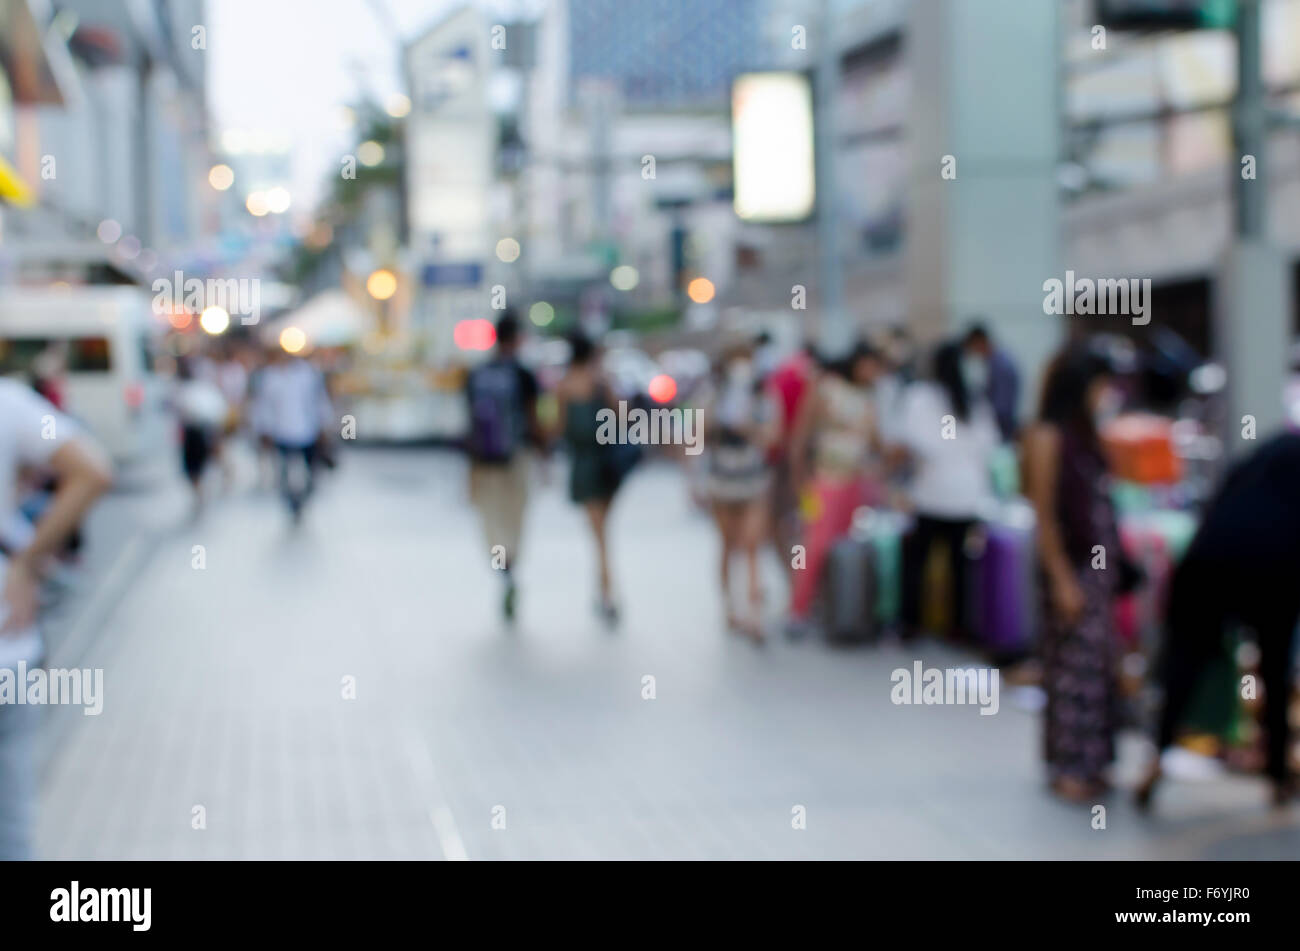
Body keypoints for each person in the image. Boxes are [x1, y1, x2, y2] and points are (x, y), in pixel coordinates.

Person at [1137, 433, 1300, 810]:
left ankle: (1155, 761)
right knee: (1274, 671)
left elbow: (1221, 494)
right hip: (1272, 570)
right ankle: (1277, 778)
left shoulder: (1272, 448)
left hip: (1210, 557)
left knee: (1184, 665)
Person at [0, 379, 112, 859]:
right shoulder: (8, 402)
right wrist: (28, 562)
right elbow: (93, 471)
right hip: (9, 643)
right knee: (12, 819)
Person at [1022, 345, 1124, 802]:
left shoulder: (1087, 435)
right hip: (1072, 566)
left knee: (1098, 668)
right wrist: (1062, 577)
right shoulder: (1046, 435)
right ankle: (1068, 765)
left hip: (1099, 569)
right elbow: (1043, 514)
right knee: (1071, 671)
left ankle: (1094, 761)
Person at [898, 341, 999, 642]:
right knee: (960, 568)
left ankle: (910, 623)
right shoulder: (972, 401)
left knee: (917, 563)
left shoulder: (921, 398)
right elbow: (989, 445)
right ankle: (959, 627)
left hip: (932, 494)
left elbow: (915, 442)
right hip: (966, 496)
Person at [786, 342, 886, 636]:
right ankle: (798, 610)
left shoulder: (867, 397)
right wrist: (799, 478)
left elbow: (875, 442)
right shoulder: (826, 388)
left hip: (854, 482)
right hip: (823, 482)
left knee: (843, 546)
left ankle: (832, 604)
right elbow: (801, 436)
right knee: (813, 545)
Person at [464, 310, 541, 622]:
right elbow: (535, 419)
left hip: (483, 461)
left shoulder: (476, 374)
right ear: (518, 338)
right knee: (514, 517)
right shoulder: (524, 375)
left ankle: (502, 566)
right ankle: (511, 562)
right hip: (516, 457)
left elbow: (470, 422)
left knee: (491, 519)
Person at [704, 339, 780, 641]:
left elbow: (774, 435)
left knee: (751, 545)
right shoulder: (715, 394)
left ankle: (754, 613)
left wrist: (748, 428)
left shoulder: (763, 395)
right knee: (727, 544)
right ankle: (730, 607)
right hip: (722, 478)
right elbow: (697, 432)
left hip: (752, 478)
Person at [554, 332, 629, 624]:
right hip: (608, 464)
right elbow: (622, 416)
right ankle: (605, 591)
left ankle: (607, 594)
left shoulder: (565, 386)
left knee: (599, 537)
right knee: (603, 533)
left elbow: (559, 428)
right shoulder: (601, 381)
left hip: (586, 466)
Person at [251, 347, 333, 522]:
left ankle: (303, 498)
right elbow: (264, 405)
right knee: (284, 472)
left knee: (312, 471)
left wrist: (324, 425)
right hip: (281, 432)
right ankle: (291, 502)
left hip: (308, 431)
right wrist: (264, 429)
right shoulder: (270, 377)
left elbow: (319, 401)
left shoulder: (309, 374)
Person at [174, 355, 228, 513]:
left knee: (202, 464)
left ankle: (203, 490)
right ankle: (200, 492)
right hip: (193, 433)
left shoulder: (201, 389)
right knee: (194, 466)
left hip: (201, 432)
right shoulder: (184, 389)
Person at [963, 322, 1021, 443]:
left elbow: (1002, 408)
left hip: (1002, 431)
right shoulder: (995, 362)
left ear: (979, 342)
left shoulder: (1000, 366)